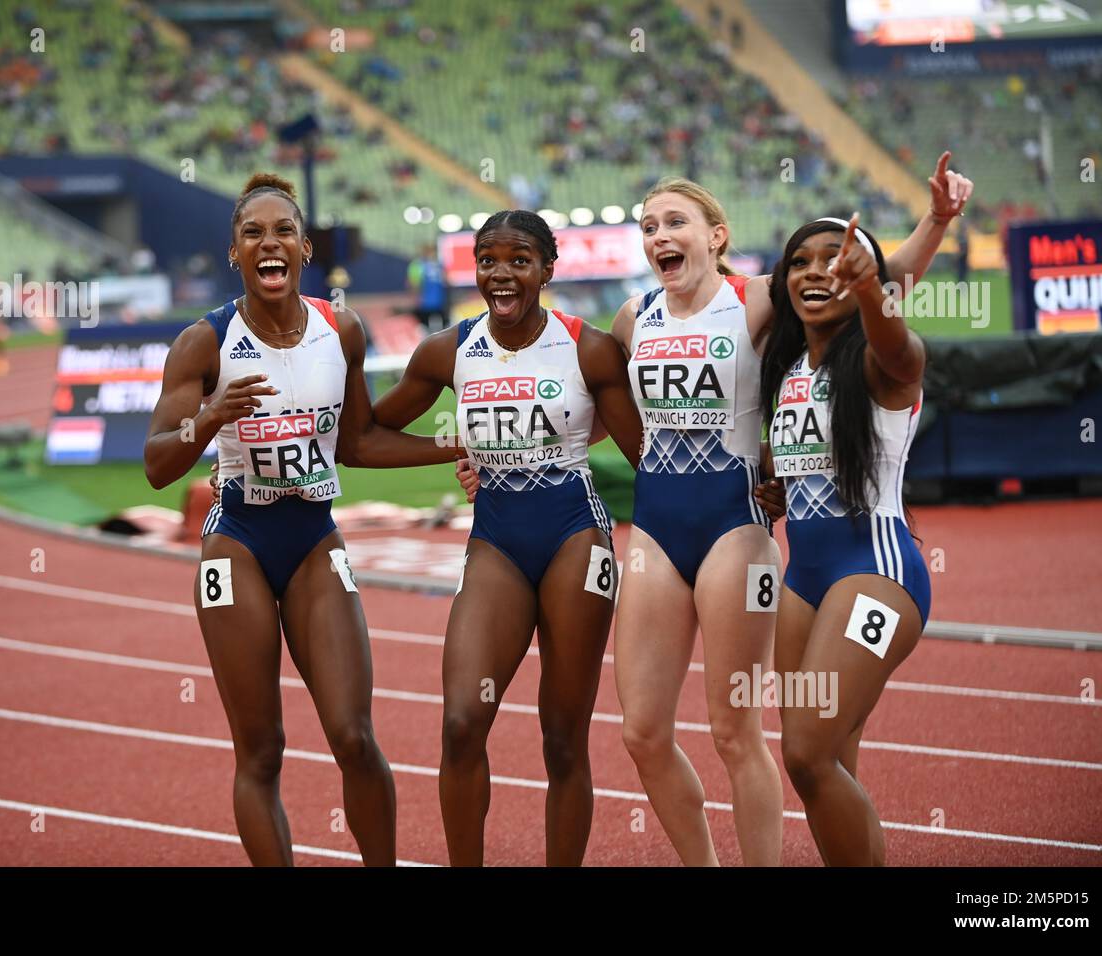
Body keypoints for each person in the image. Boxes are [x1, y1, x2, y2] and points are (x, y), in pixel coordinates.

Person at [459, 156, 970, 865]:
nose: (659, 235)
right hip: (659, 534)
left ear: (716, 236)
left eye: (675, 222)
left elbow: (870, 287)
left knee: (741, 734)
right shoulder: (632, 318)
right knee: (641, 732)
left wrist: (936, 223)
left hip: (737, 531)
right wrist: (504, 453)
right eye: (648, 226)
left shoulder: (760, 298)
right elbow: (587, 412)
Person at [145, 173, 462, 866]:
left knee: (353, 735)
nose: (269, 243)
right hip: (239, 544)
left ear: (304, 247)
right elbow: (158, 465)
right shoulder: (203, 344)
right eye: (253, 233)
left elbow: (359, 443)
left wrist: (457, 443)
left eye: (282, 231)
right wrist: (208, 419)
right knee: (261, 750)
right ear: (236, 252)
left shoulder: (340, 329)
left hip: (315, 536)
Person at [372, 210, 646, 866]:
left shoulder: (590, 347)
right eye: (488, 259)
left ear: (547, 271)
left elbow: (645, 456)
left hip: (575, 535)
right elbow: (362, 435)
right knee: (463, 723)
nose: (502, 272)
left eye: (519, 259)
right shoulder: (447, 350)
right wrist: (451, 445)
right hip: (495, 537)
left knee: (562, 740)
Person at [759, 214, 930, 866]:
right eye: (800, 261)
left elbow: (900, 349)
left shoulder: (883, 359)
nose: (813, 271)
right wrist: (774, 489)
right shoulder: (786, 366)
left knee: (804, 753)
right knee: (825, 764)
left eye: (833, 260)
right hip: (804, 581)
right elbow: (793, 467)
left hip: (878, 573)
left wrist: (871, 291)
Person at [407, 243, 449, 333]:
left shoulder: (418, 265)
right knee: (441, 327)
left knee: (425, 328)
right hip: (439, 301)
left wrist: (416, 298)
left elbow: (414, 284)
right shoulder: (440, 265)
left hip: (425, 303)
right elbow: (446, 281)